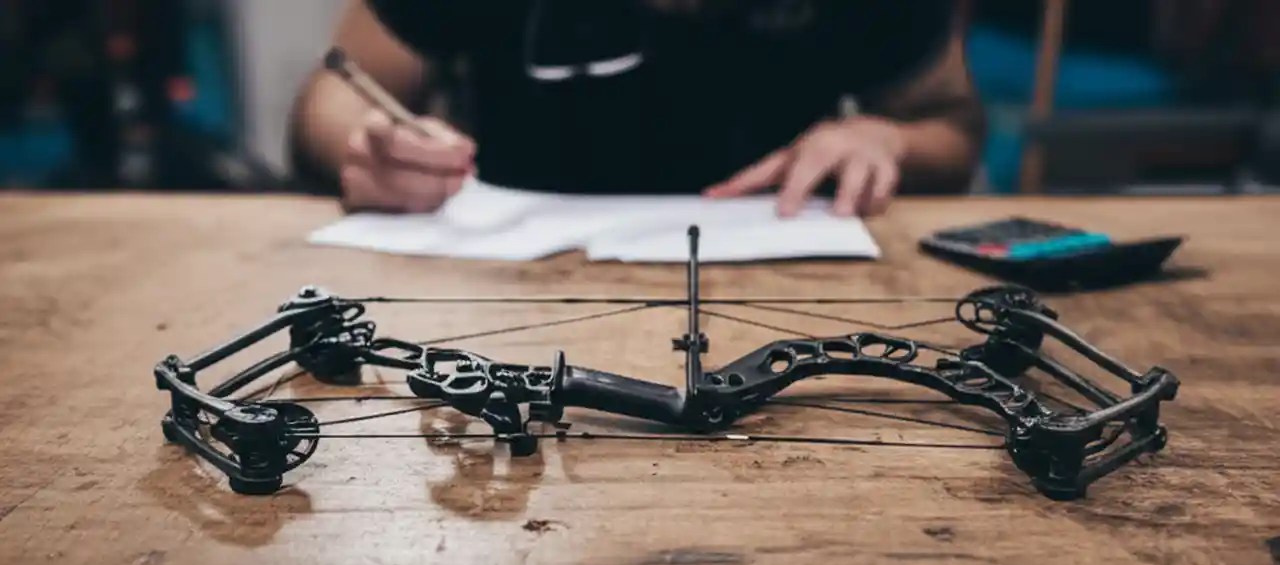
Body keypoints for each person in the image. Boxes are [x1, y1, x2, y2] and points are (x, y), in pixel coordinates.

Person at [290, 0, 984, 218]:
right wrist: (364, 145)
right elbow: (340, 87)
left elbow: (952, 124)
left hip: (790, 305)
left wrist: (885, 139)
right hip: (500, 294)